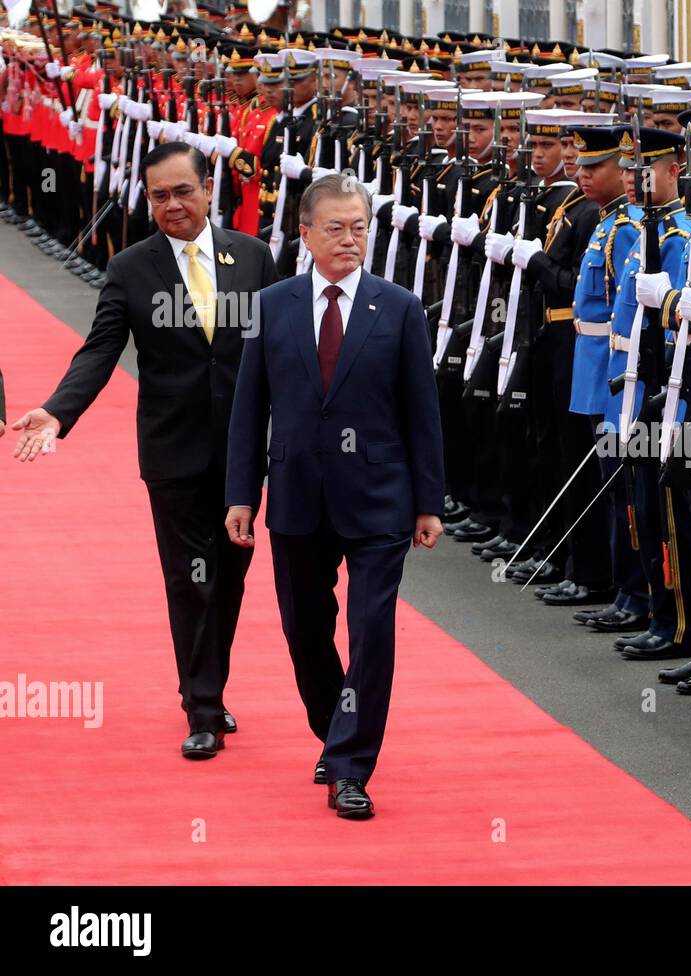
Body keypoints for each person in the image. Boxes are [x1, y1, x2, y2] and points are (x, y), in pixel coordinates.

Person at [9, 141, 278, 759]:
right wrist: (57, 410)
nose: (172, 205)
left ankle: (208, 685)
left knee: (230, 578)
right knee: (191, 580)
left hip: (241, 452)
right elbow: (100, 350)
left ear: (209, 190)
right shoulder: (131, 268)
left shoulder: (255, 258)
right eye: (159, 195)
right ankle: (202, 709)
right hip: (172, 453)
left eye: (183, 191)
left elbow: (277, 351)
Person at [223, 173, 445, 820]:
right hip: (296, 494)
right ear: (305, 234)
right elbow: (248, 409)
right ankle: (333, 729)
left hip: (380, 497)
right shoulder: (272, 305)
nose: (350, 240)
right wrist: (242, 493)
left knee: (372, 629)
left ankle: (350, 767)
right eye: (336, 228)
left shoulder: (399, 307)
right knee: (304, 630)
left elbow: (422, 413)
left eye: (360, 228)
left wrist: (429, 501)